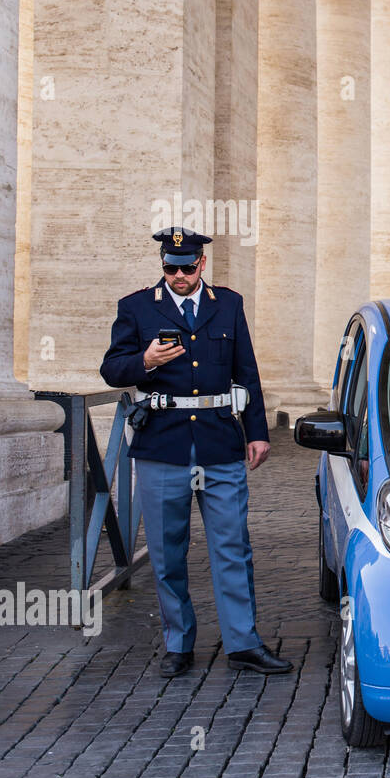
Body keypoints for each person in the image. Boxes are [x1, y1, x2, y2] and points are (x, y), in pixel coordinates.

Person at [99, 227, 290, 677]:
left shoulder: (229, 303)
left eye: (187, 267)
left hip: (219, 443)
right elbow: (111, 369)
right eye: (171, 267)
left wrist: (257, 432)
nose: (179, 275)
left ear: (202, 264)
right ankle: (178, 643)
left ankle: (243, 643)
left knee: (232, 547)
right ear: (162, 263)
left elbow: (247, 370)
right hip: (161, 447)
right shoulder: (137, 307)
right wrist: (145, 361)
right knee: (167, 552)